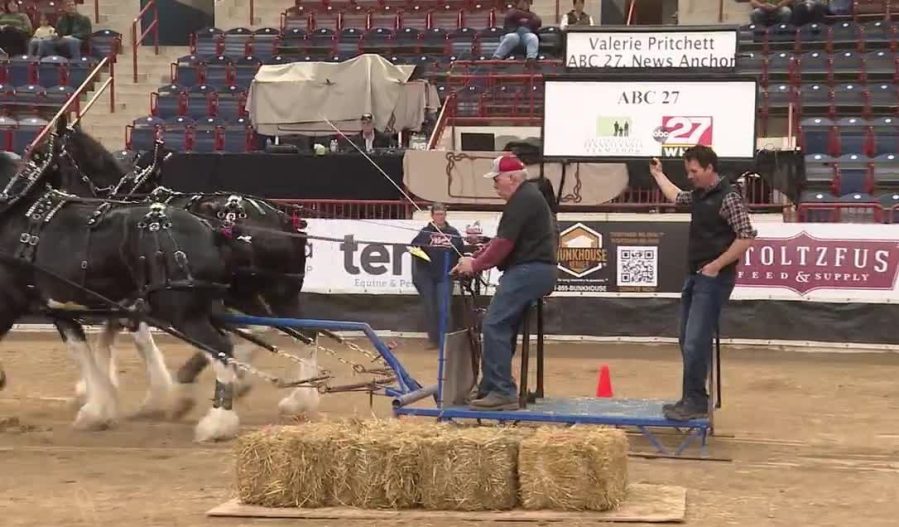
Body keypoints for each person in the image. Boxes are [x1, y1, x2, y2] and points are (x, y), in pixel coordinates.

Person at [648, 146, 757, 421]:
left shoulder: (728, 198)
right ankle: (693, 397)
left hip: (713, 278)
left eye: (694, 171)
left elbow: (746, 236)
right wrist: (658, 175)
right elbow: (676, 197)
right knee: (687, 338)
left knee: (695, 340)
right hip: (697, 276)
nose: (690, 177)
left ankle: (695, 401)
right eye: (688, 172)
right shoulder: (699, 194)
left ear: (710, 169)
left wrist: (716, 266)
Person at [451, 153, 558, 411]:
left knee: (494, 324)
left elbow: (503, 245)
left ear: (511, 178)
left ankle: (502, 391)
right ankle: (490, 386)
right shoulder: (527, 198)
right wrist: (474, 257)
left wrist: (474, 264)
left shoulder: (521, 201)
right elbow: (500, 243)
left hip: (529, 270)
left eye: (496, 179)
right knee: (502, 326)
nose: (494, 185)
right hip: (536, 271)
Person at [410, 203, 464, 349]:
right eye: (437, 214)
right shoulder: (425, 232)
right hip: (427, 276)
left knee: (444, 307)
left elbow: (460, 252)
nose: (440, 217)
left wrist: (455, 268)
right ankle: (433, 340)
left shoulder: (453, 232)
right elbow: (413, 248)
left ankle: (445, 340)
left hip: (445, 275)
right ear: (432, 215)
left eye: (442, 214)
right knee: (430, 307)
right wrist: (423, 259)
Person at [492, 0, 541, 67]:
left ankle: (531, 59)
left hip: (525, 36)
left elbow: (538, 21)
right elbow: (513, 14)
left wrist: (527, 17)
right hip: (512, 33)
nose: (524, 4)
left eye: (526, 2)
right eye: (522, 2)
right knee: (513, 37)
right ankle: (497, 58)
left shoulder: (532, 14)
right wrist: (529, 17)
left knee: (532, 37)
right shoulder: (512, 11)